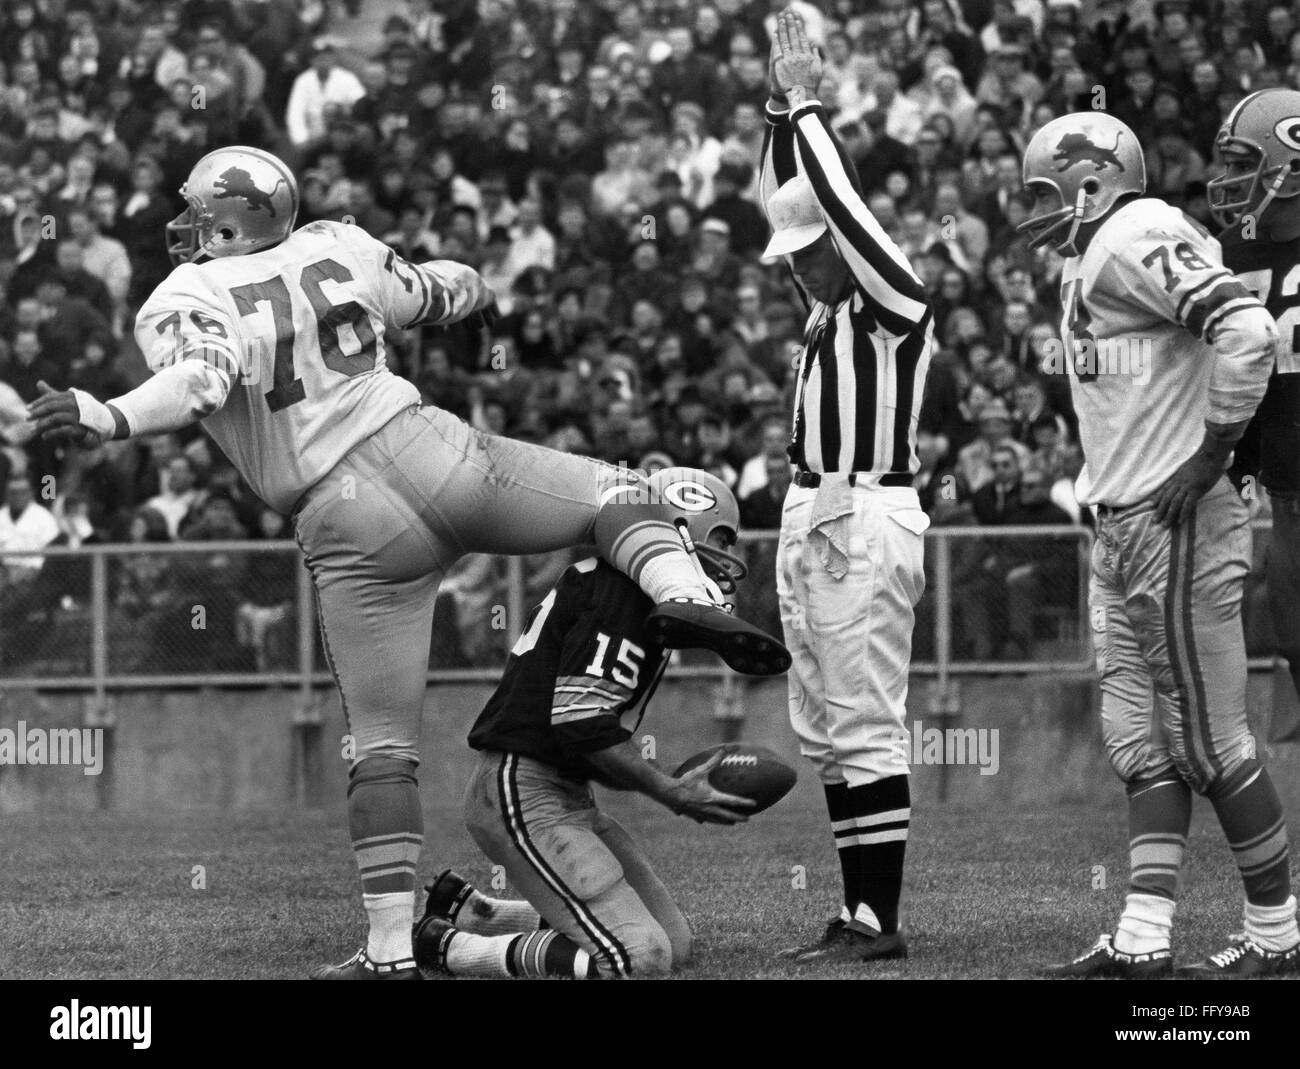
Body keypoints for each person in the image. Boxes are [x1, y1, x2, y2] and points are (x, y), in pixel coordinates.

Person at [26, 145, 791, 982]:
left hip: (345, 521)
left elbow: (199, 384)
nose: (182, 224)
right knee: (621, 491)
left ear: (226, 216)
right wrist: (481, 291)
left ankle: (390, 950)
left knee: (382, 748)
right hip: (430, 451)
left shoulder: (187, 292)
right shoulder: (338, 244)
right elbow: (437, 288)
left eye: (196, 210)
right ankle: (680, 590)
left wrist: (105, 413)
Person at [1022, 111, 1298, 978]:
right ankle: (1144, 938)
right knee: (1139, 739)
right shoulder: (1092, 249)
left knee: (1212, 742)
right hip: (1125, 523)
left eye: (1047, 189)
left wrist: (1212, 453)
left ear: (1094, 180)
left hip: (1174, 518)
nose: (1035, 209)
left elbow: (1246, 330)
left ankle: (1277, 932)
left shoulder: (1134, 231)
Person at [412, 469, 755, 979]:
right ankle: (452, 950)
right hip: (523, 792)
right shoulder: (621, 593)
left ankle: (475, 910)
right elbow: (582, 724)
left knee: (673, 942)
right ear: (677, 529)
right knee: (640, 959)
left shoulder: (624, 586)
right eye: (719, 537)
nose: (726, 557)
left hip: (562, 793)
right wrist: (671, 791)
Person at [760, 11, 932, 965]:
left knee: (865, 720)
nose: (800, 271)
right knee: (828, 725)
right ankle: (857, 912)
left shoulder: (893, 301)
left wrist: (809, 100)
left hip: (866, 506)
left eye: (810, 253)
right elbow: (789, 197)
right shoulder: (832, 310)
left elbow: (838, 204)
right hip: (819, 507)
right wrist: (776, 112)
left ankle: (879, 919)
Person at [1207, 88, 1300, 742]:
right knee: (1294, 637)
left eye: (1242, 162)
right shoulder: (1230, 256)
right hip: (1286, 496)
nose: (1227, 180)